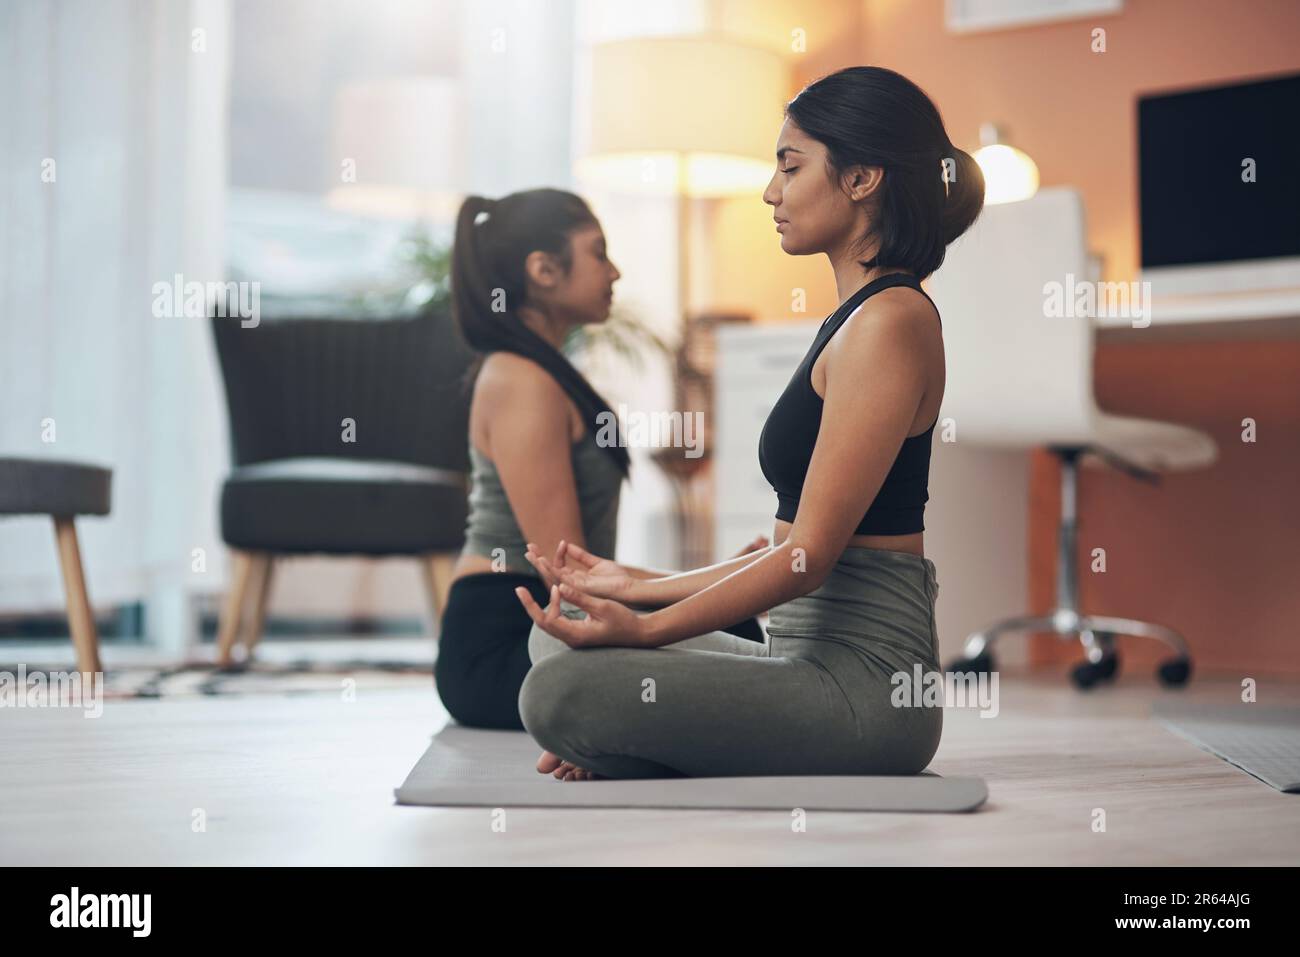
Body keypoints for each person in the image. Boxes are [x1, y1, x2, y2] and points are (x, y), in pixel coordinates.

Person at [515, 65, 986, 780]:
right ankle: (648, 737)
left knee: (559, 691)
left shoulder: (891, 322)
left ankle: (639, 738)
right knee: (562, 639)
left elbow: (808, 560)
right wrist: (630, 584)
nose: (772, 191)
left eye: (790, 167)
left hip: (865, 693)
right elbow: (783, 544)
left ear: (862, 178)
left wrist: (643, 628)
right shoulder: (856, 318)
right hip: (797, 658)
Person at [434, 187, 766, 732]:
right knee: (740, 637)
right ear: (543, 269)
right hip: (503, 640)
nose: (614, 273)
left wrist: (720, 586)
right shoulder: (521, 380)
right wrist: (719, 583)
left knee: (737, 634)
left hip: (550, 615)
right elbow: (568, 570)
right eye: (597, 253)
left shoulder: (546, 374)